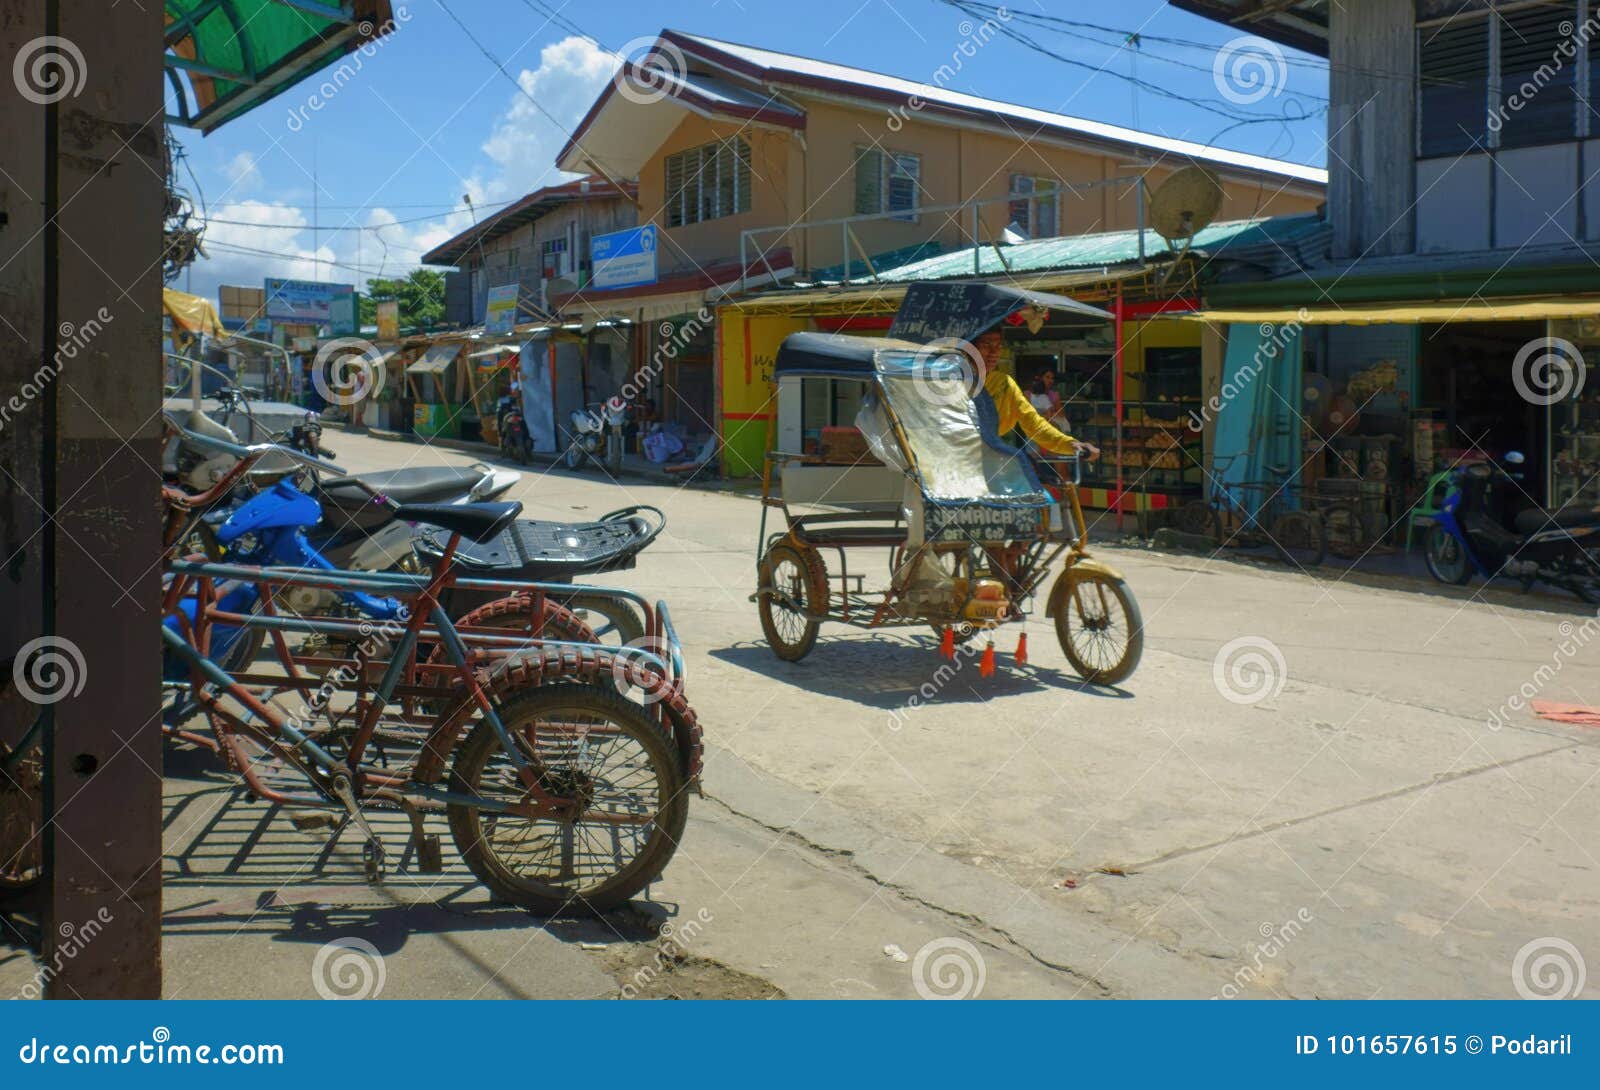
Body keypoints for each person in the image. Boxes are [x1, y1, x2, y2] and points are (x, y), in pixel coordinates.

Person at [973, 331, 1098, 461]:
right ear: (969, 348)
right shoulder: (955, 380)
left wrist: (1072, 445)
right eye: (986, 345)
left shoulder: (1005, 384)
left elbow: (1034, 423)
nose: (994, 352)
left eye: (998, 346)